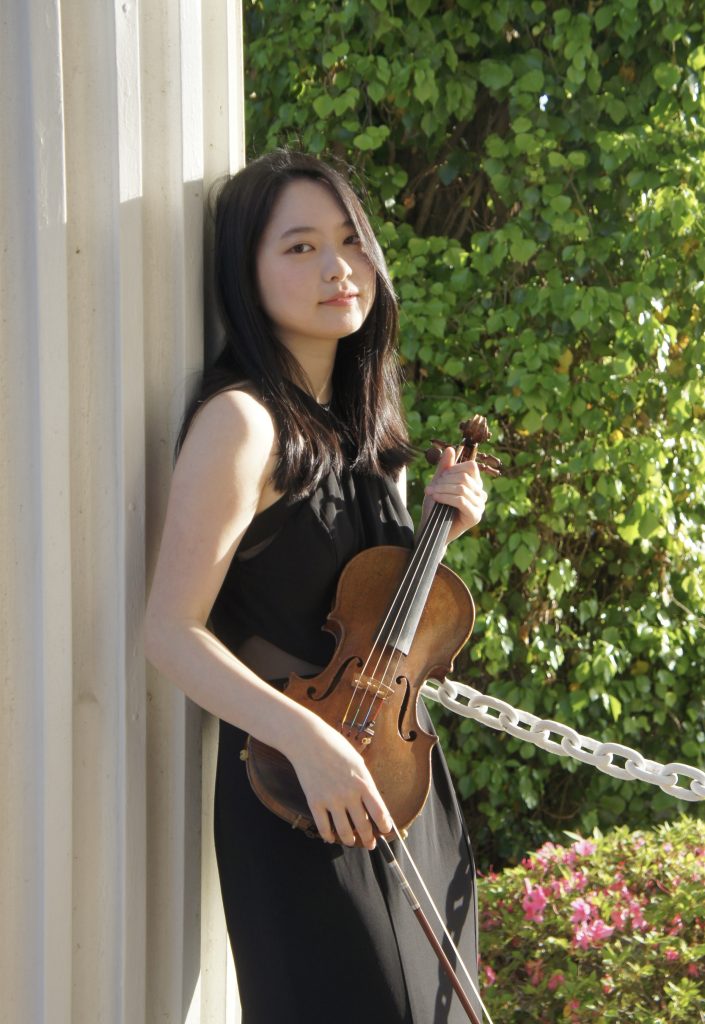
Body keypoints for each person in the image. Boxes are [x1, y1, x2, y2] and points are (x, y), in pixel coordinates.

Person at [145, 150, 488, 1023]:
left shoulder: (366, 428)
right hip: (296, 793)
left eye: (349, 240)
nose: (338, 267)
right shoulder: (241, 424)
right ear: (244, 271)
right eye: (299, 247)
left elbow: (373, 613)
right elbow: (170, 632)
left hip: (402, 777)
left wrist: (443, 526)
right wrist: (312, 745)